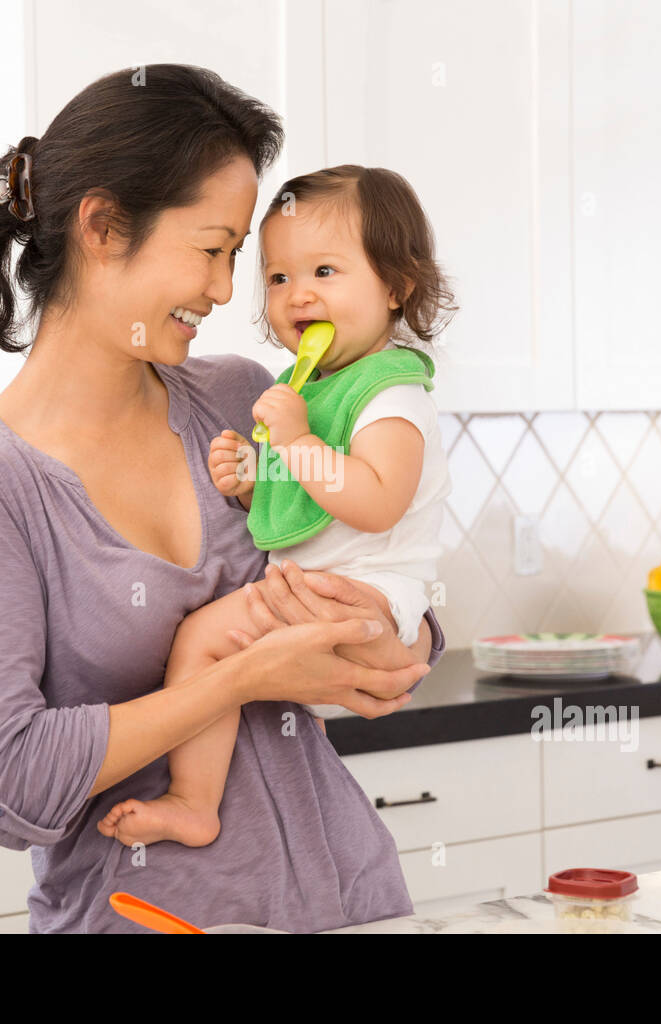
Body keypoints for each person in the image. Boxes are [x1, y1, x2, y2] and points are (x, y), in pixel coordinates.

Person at [0, 65, 447, 934]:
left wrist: (399, 633)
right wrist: (247, 673)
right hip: (149, 916)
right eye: (211, 249)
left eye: (237, 255)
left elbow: (370, 554)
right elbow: (2, 784)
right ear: (103, 226)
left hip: (353, 898)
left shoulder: (241, 398)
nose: (229, 290)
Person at [97, 165, 456, 849]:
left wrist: (291, 440)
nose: (297, 295)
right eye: (279, 277)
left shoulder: (392, 397)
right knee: (251, 669)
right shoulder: (309, 387)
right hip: (329, 592)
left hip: (369, 598)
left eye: (325, 270)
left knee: (203, 640)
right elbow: (307, 503)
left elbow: (376, 502)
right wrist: (251, 482)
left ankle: (193, 802)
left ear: (396, 287)